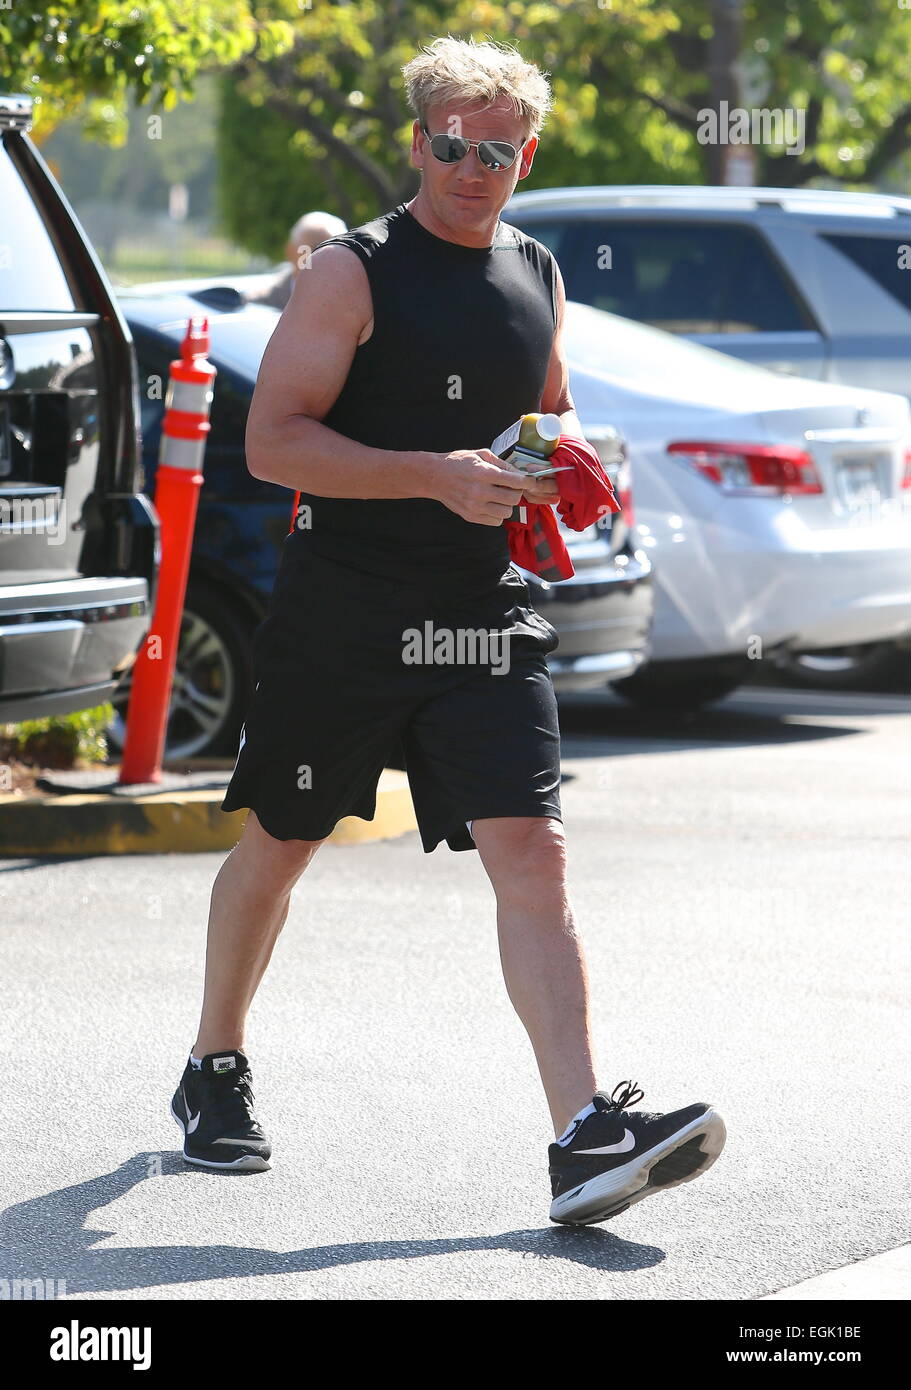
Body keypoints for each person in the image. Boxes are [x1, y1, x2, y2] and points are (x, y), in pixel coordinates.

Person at [169, 36, 727, 1226]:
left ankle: (581, 1135)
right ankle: (214, 1064)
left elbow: (550, 407)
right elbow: (275, 443)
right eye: (449, 145)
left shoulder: (536, 269)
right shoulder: (349, 274)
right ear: (414, 140)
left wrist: (554, 459)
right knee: (284, 838)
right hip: (349, 614)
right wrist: (434, 474)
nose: (470, 168)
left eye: (497, 151)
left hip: (485, 610)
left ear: (525, 157)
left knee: (535, 849)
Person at [243, 210, 348, 311]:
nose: (326, 259)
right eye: (315, 248)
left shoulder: (358, 303)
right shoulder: (256, 305)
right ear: (290, 251)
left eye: (336, 251)